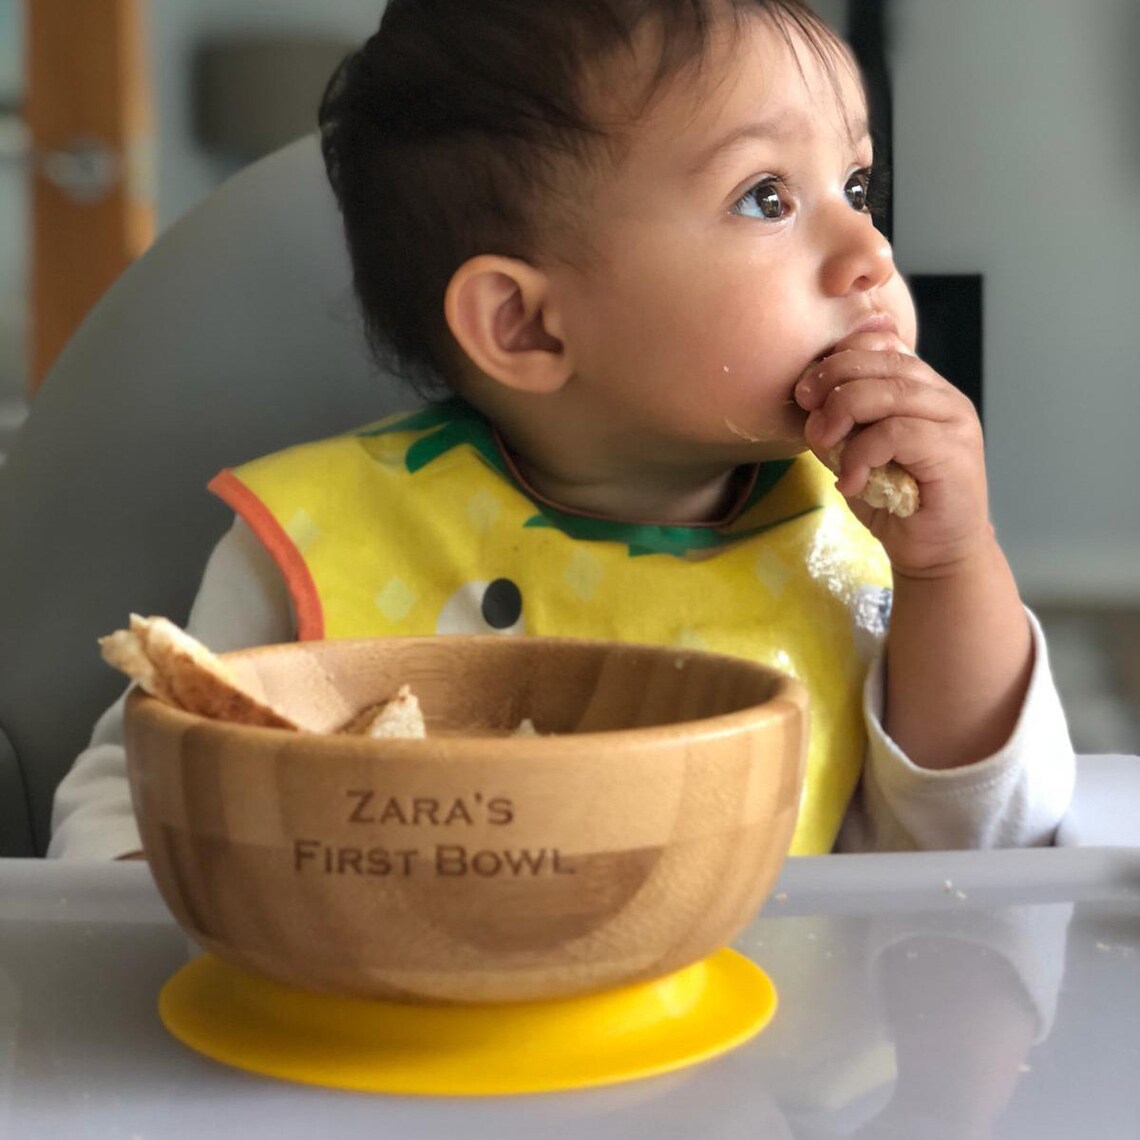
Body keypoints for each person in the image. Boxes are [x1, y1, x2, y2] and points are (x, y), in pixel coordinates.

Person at [49, 0, 1074, 861]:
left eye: (853, 186)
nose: (870, 249)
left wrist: (951, 573)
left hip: (771, 1088)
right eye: (766, 197)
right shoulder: (325, 543)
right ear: (527, 324)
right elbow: (128, 815)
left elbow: (978, 851)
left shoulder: (867, 539)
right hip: (400, 1072)